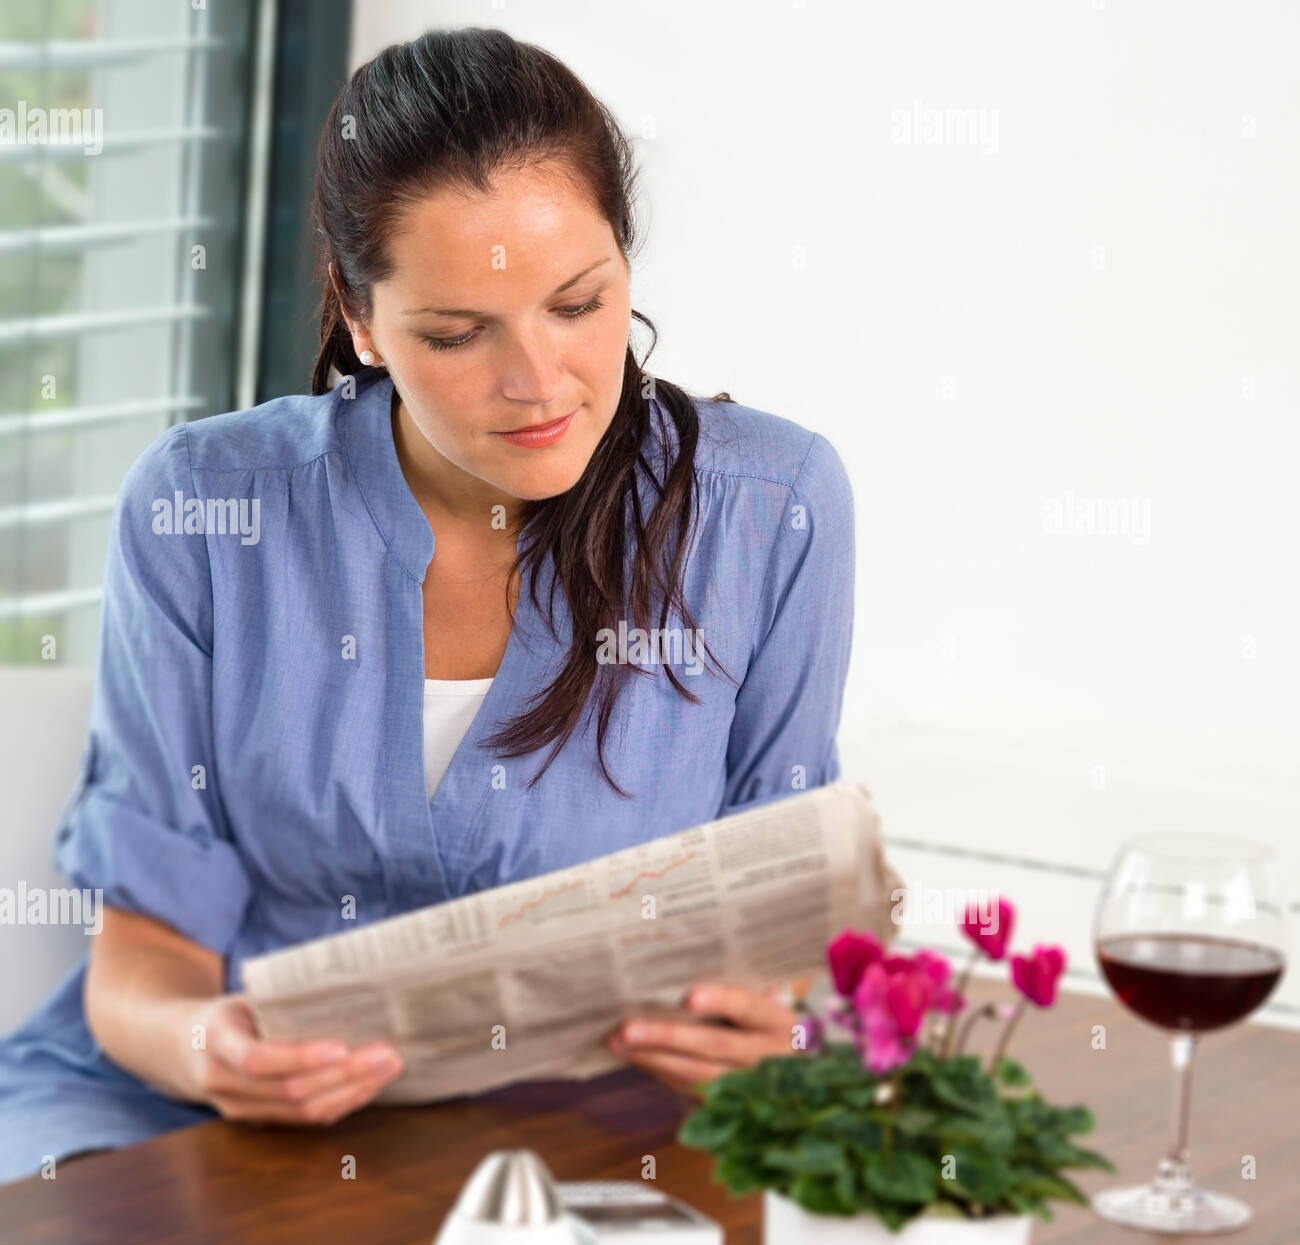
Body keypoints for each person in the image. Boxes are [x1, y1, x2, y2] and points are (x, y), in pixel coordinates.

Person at [0, 27, 855, 1185]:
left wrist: (782, 1033)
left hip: (587, 1135)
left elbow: (795, 930)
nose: (539, 382)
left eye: (578, 303)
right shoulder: (204, 509)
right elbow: (145, 968)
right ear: (360, 318)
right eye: (457, 334)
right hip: (210, 1123)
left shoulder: (770, 513)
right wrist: (212, 1051)